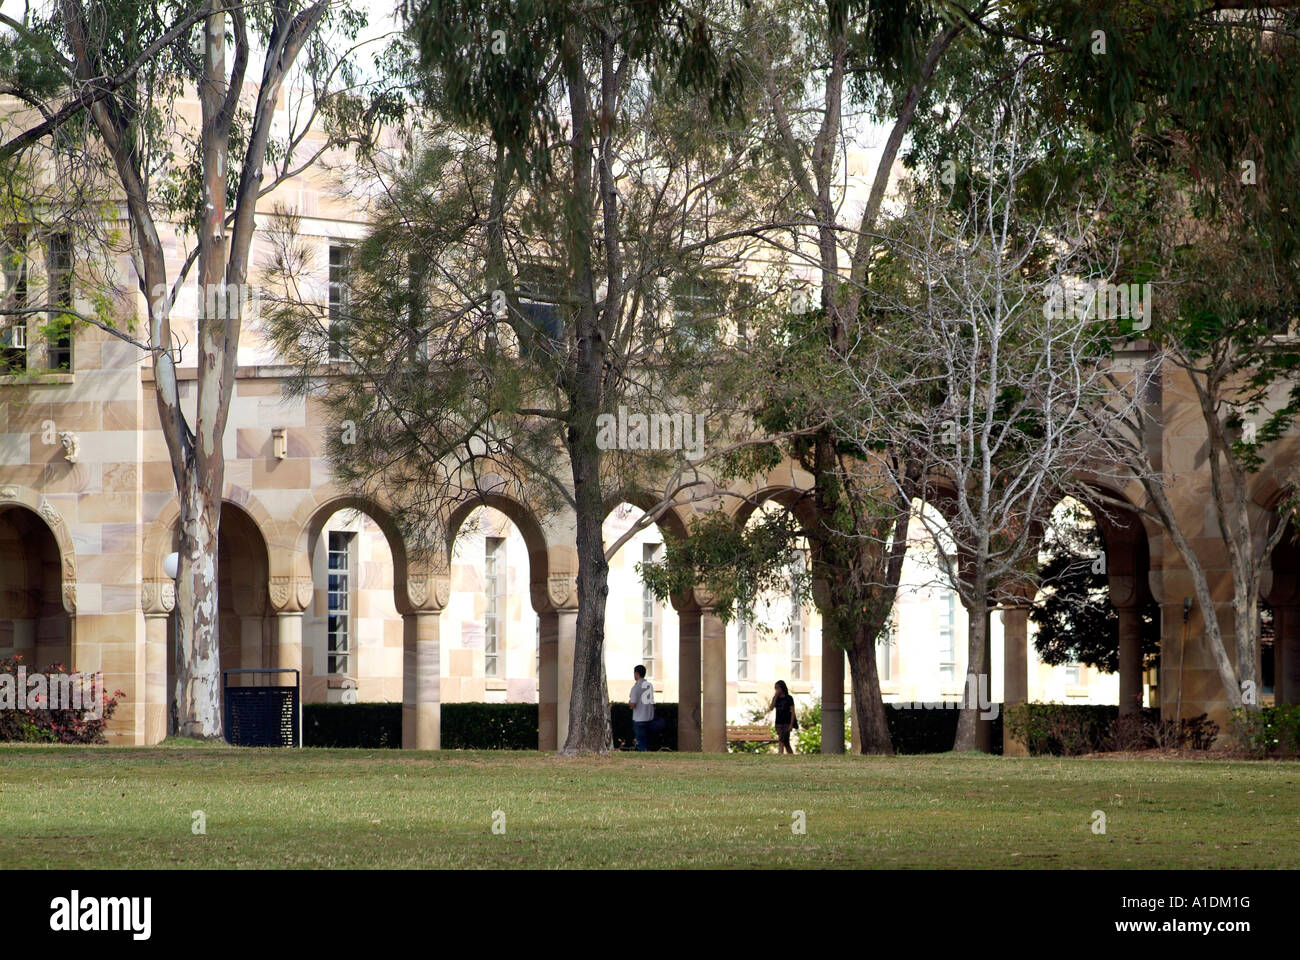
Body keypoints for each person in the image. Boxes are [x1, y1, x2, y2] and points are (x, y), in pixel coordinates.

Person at [629, 664, 655, 751]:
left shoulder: (636, 687)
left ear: (636, 673)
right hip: (649, 717)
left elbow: (633, 704)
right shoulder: (649, 685)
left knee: (640, 743)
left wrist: (629, 703)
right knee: (648, 741)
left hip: (639, 719)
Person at [769, 680, 797, 755]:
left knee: (785, 741)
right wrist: (775, 697)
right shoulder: (776, 698)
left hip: (787, 722)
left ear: (782, 688)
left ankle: (785, 754)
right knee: (781, 739)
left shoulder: (789, 698)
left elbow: (792, 712)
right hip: (779, 722)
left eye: (777, 688)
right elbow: (771, 708)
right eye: (775, 688)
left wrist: (791, 724)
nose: (776, 690)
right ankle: (780, 753)